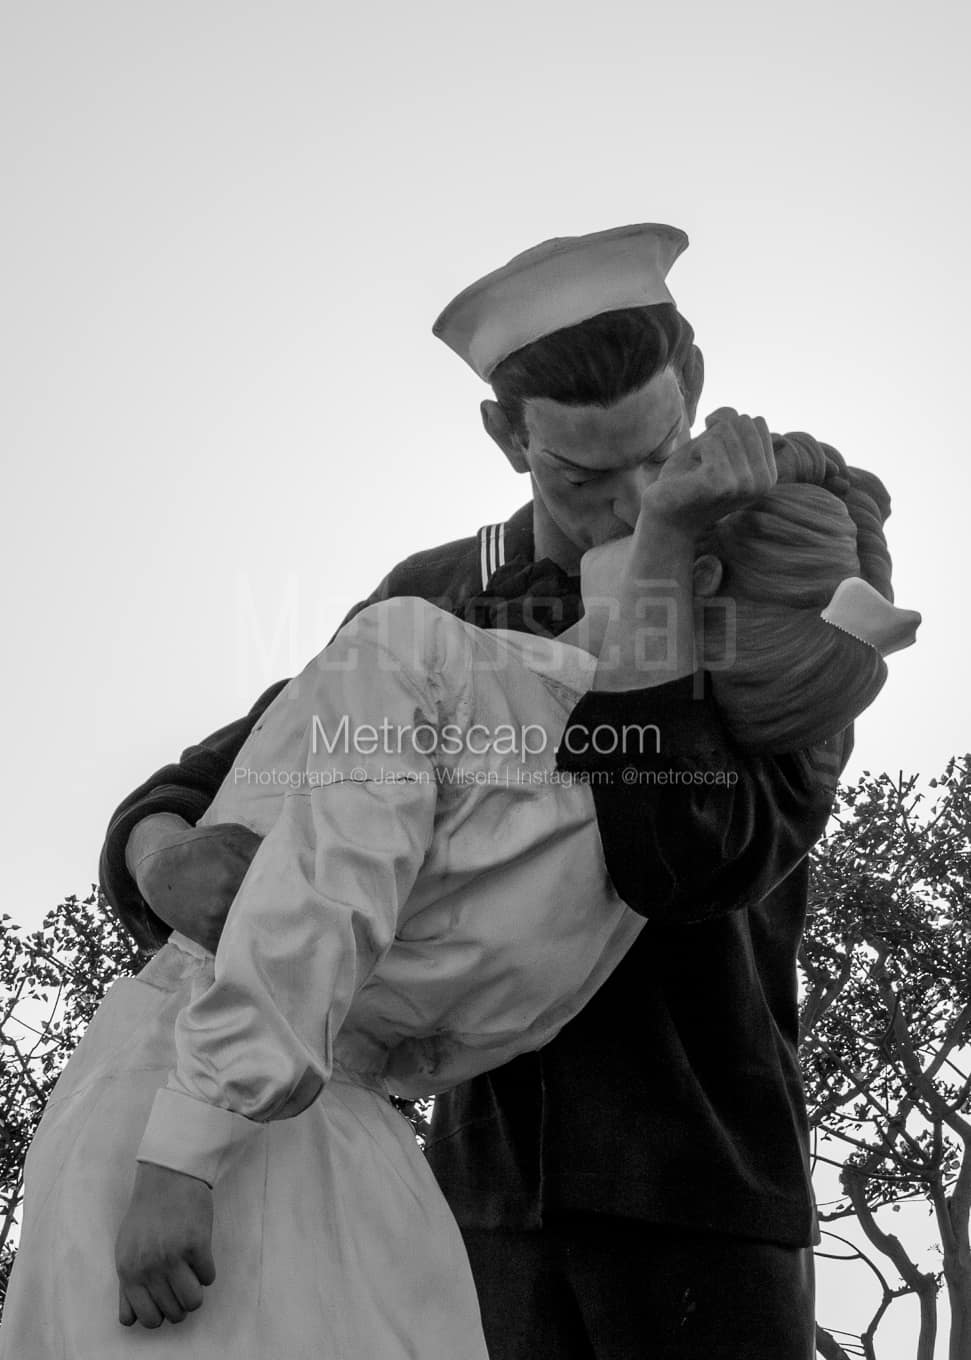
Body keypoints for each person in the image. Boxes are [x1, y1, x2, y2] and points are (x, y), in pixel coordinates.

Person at [91, 224, 898, 1358]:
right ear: (504, 434)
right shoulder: (434, 600)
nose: (624, 506)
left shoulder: (785, 599)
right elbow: (207, 778)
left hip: (705, 1185)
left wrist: (667, 560)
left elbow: (678, 857)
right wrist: (165, 857)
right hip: (470, 1199)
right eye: (581, 475)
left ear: (695, 390)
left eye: (652, 459)